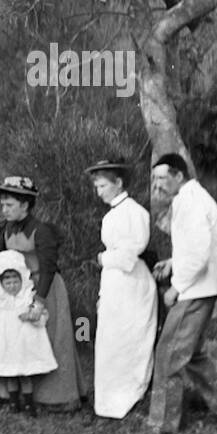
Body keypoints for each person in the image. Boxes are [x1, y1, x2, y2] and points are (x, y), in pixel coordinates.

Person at [143, 154, 217, 434]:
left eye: (162, 178)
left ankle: (162, 425)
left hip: (195, 290)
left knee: (168, 354)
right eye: (155, 179)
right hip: (202, 286)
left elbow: (198, 255)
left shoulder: (190, 202)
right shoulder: (190, 197)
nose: (157, 185)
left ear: (178, 176)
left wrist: (177, 287)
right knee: (193, 354)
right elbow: (198, 247)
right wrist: (174, 262)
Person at [0, 176, 87, 411]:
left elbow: (49, 268)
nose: (4, 209)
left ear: (25, 205)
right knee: (11, 338)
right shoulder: (3, 231)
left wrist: (39, 302)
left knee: (47, 337)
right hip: (13, 290)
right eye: (3, 204)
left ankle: (55, 397)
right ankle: (3, 394)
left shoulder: (41, 231)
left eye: (10, 205)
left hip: (44, 287)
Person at [86, 160, 157, 420]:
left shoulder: (134, 212)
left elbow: (129, 255)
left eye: (103, 185)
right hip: (115, 283)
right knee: (110, 339)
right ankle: (109, 400)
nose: (99, 191)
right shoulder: (112, 214)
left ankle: (131, 395)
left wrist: (104, 259)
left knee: (130, 337)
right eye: (97, 186)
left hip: (132, 283)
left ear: (118, 183)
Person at [0, 250, 56, 415]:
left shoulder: (28, 298)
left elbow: (42, 317)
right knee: (10, 375)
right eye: (8, 283)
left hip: (25, 344)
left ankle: (29, 404)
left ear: (22, 279)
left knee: (25, 374)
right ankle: (14, 402)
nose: (12, 286)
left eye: (16, 281)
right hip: (7, 344)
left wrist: (31, 316)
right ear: (1, 283)